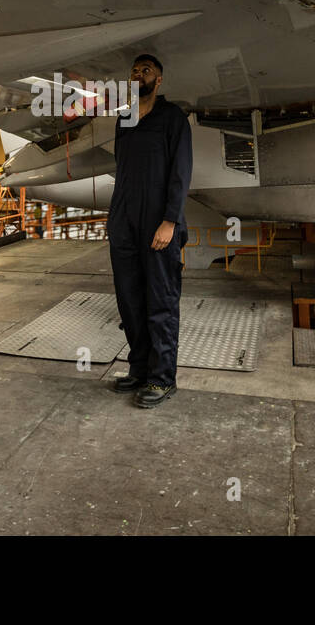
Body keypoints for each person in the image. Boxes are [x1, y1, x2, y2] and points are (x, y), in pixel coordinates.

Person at [108, 54, 193, 409]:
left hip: (159, 223)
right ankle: (140, 369)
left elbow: (181, 171)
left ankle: (162, 379)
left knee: (160, 300)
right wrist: (115, 219)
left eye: (145, 71)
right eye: (134, 71)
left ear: (158, 80)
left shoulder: (173, 119)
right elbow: (122, 169)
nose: (137, 75)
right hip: (124, 222)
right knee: (130, 300)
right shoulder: (124, 118)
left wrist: (170, 221)